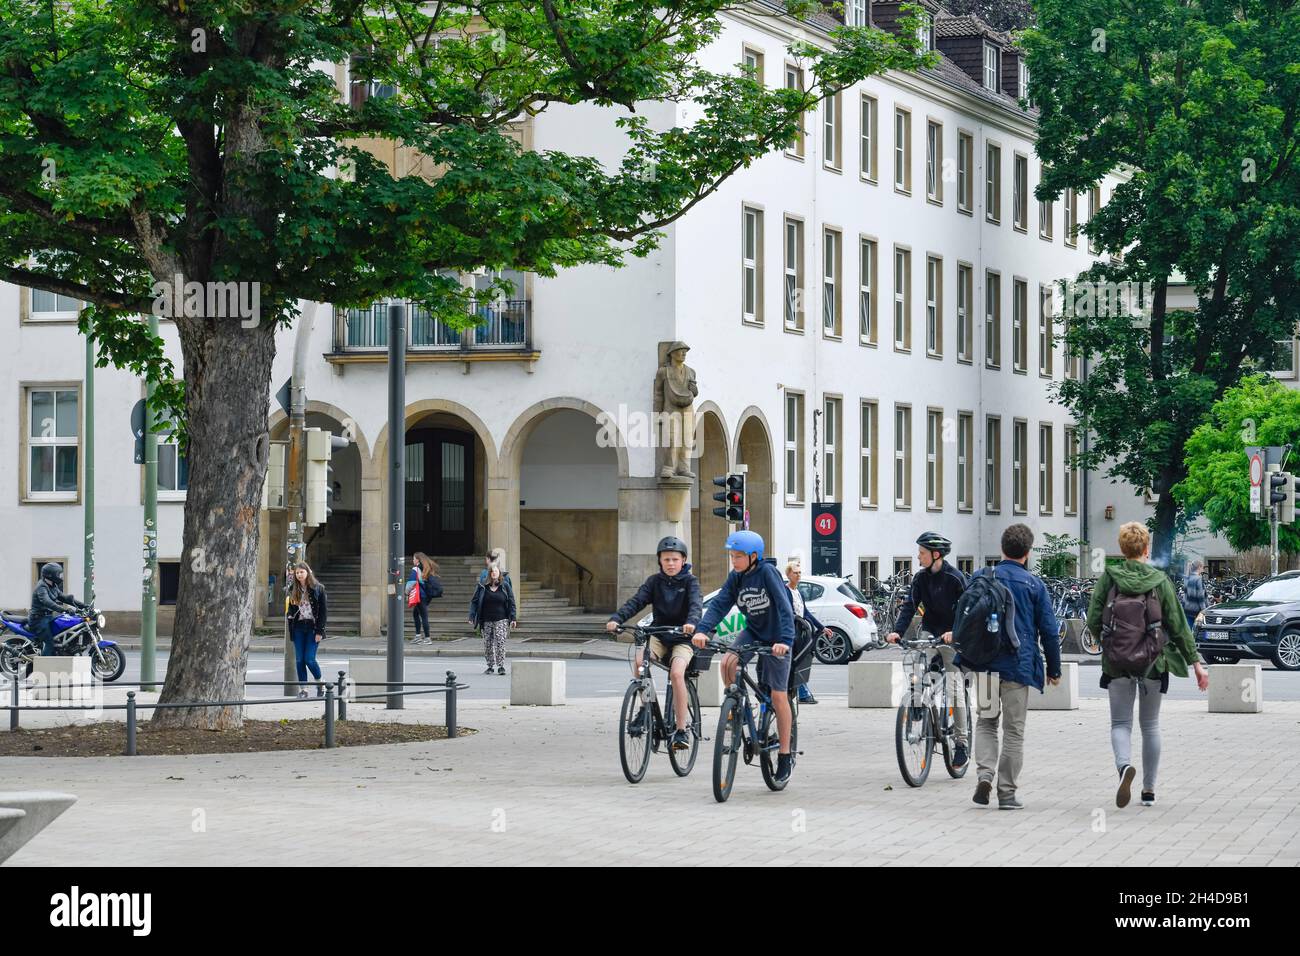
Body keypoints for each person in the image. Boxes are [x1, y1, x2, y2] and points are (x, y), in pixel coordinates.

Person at [1087, 522, 1208, 809]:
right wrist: (1197, 664)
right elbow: (1178, 625)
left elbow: (1093, 619)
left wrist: (1110, 645)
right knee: (1151, 725)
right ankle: (1149, 790)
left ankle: (1124, 767)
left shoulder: (1109, 578)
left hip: (1116, 664)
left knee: (1120, 723)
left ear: (1121, 549)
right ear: (1146, 549)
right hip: (1154, 662)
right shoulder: (1159, 580)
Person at [963, 524, 1062, 810]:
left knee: (986, 721)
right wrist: (1053, 670)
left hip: (984, 664)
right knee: (1014, 731)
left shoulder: (982, 576)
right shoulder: (1034, 585)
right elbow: (1049, 631)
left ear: (1002, 548)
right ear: (1028, 553)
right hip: (1017, 667)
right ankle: (1006, 792)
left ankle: (984, 776)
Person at [691, 530, 797, 784]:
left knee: (778, 695)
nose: (733, 560)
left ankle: (784, 755)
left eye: (738, 556)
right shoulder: (735, 578)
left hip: (778, 637)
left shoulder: (767, 573)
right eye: (731, 555)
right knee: (728, 661)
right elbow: (719, 604)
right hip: (754, 631)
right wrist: (703, 630)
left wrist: (784, 641)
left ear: (753, 556)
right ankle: (738, 706)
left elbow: (784, 607)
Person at [605, 536, 702, 750]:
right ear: (660, 561)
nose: (670, 564)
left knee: (677, 673)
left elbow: (696, 605)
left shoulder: (690, 582)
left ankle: (680, 730)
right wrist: (616, 619)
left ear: (683, 560)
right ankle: (645, 706)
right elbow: (636, 601)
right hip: (659, 635)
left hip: (683, 638)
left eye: (675, 559)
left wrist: (691, 623)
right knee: (640, 664)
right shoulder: (654, 582)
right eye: (666, 559)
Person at [885, 532, 970, 769]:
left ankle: (961, 744)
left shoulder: (955, 578)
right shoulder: (921, 579)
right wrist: (898, 632)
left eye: (922, 553)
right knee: (917, 669)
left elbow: (967, 610)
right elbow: (910, 606)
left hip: (952, 635)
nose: (918, 557)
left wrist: (956, 632)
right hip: (930, 631)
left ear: (936, 555)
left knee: (954, 688)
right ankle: (918, 707)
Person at [784, 556, 831, 705]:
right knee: (795, 662)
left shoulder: (798, 592)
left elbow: (806, 613)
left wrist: (822, 628)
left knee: (799, 661)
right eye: (795, 573)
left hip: (800, 632)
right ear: (788, 574)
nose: (798, 575)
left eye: (799, 573)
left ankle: (801, 692)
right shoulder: (785, 591)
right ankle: (801, 693)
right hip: (789, 632)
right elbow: (786, 613)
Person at [285, 562, 328, 698]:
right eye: (297, 573)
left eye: (301, 572)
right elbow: (290, 608)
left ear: (308, 572)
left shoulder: (318, 589)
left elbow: (323, 612)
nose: (299, 575)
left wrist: (320, 631)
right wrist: (290, 615)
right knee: (299, 660)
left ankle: (321, 684)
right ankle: (303, 690)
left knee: (309, 659)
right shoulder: (292, 589)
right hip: (298, 627)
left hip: (313, 628)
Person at [29, 562, 84, 656]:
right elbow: (47, 602)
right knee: (50, 643)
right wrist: (64, 610)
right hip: (38, 620)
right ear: (51, 575)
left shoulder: (53, 585)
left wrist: (83, 605)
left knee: (61, 635)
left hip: (48, 617)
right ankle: (44, 665)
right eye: (59, 574)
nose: (61, 577)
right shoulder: (41, 587)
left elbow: (64, 598)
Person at [470, 563, 516, 675]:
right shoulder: (482, 586)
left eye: (496, 571)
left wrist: (513, 618)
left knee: (500, 642)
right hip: (486, 620)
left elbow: (511, 602)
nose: (494, 573)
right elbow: (474, 601)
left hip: (501, 619)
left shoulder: (505, 586)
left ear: (499, 573)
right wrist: (472, 615)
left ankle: (501, 666)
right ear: (489, 574)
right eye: (492, 571)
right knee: (488, 644)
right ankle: (490, 666)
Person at [407, 552, 442, 646]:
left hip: (420, 596)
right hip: (426, 596)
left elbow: (411, 582)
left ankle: (427, 638)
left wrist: (406, 592)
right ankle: (418, 636)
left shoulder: (416, 569)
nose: (413, 560)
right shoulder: (426, 569)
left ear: (418, 560)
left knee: (423, 616)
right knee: (416, 613)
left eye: (414, 558)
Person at [1181, 559, 1208, 630]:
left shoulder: (1187, 578)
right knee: (1198, 632)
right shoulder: (1198, 579)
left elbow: (1185, 594)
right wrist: (1204, 610)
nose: (1203, 569)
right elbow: (1200, 596)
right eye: (1202, 567)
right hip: (1196, 610)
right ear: (1199, 567)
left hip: (1187, 608)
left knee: (1188, 630)